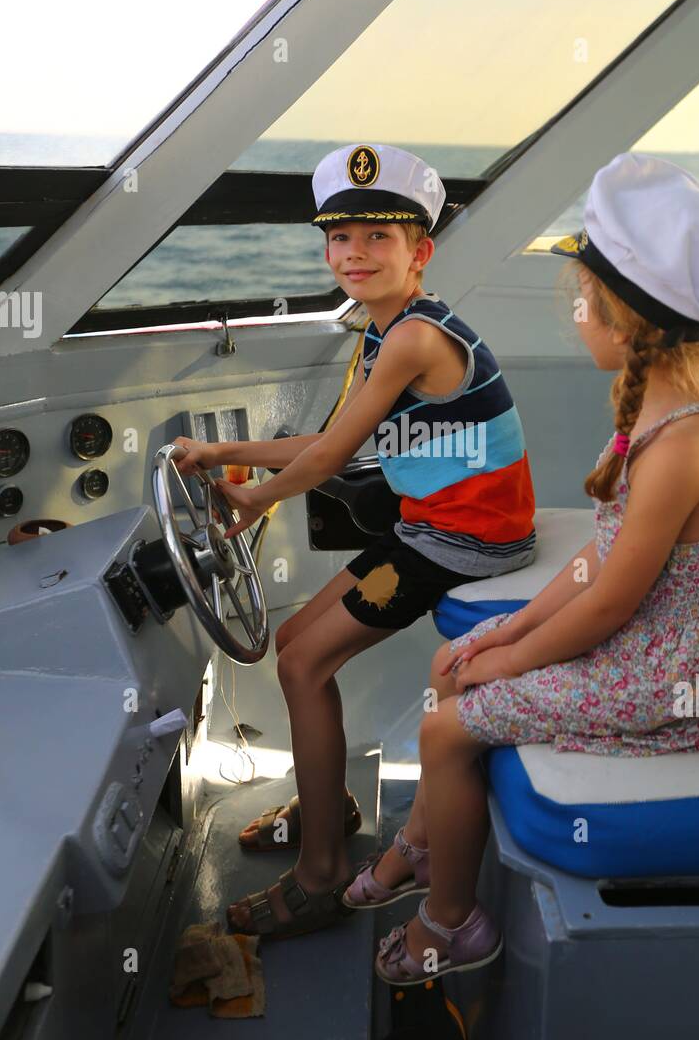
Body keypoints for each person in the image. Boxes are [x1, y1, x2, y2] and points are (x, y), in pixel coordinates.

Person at [354, 151, 699, 985]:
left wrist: (510, 656)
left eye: (583, 302)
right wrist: (513, 626)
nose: (574, 316)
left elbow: (611, 605)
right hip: (655, 619)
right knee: (448, 663)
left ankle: (453, 924)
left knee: (443, 724)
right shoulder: (651, 403)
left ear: (626, 323)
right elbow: (599, 556)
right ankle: (424, 846)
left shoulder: (685, 444)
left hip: (686, 659)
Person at [172, 142, 536, 939]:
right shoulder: (384, 331)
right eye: (342, 238)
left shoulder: (412, 339)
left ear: (421, 252)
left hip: (462, 543)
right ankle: (329, 804)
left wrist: (251, 496)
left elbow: (331, 456)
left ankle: (322, 874)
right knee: (299, 644)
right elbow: (332, 437)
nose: (356, 254)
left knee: (301, 658)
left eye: (380, 238)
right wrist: (221, 456)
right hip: (431, 528)